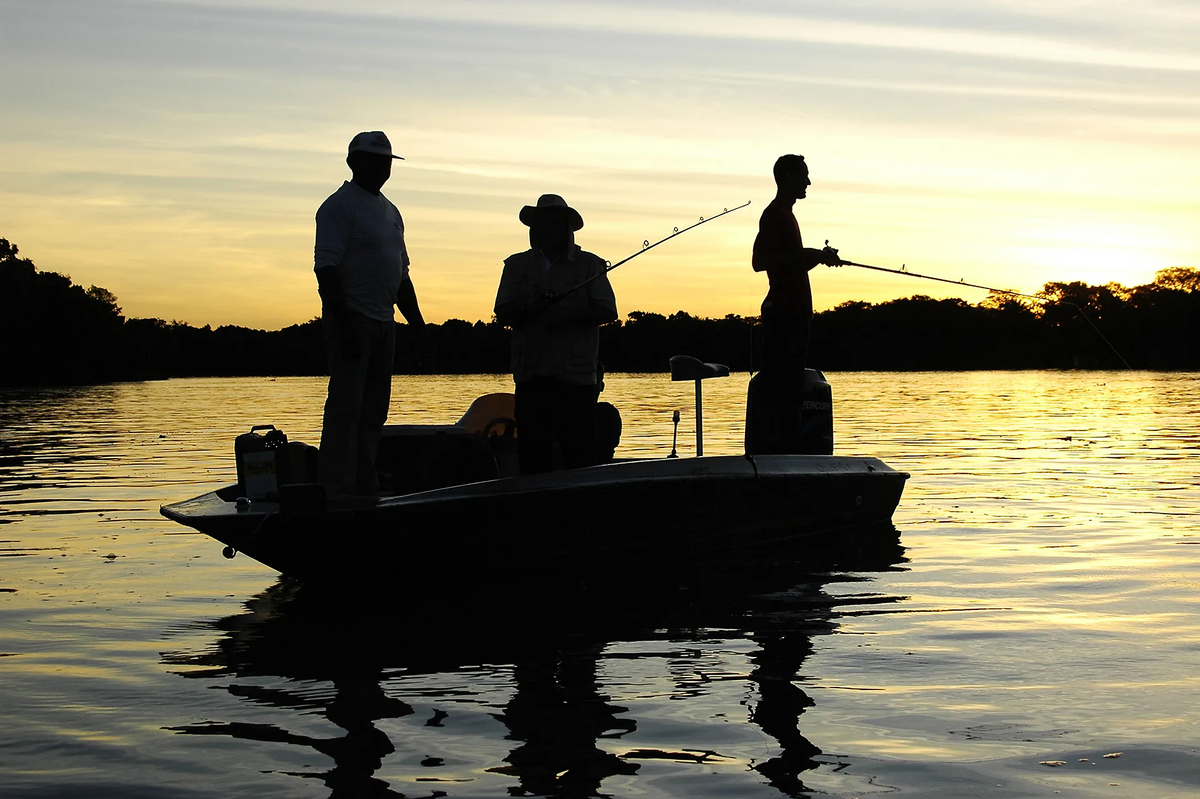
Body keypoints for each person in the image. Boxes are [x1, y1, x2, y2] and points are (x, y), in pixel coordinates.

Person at [313, 131, 431, 498]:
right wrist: (345, 324)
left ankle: (365, 483)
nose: (381, 167)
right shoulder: (338, 205)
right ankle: (336, 487)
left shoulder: (391, 212)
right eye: (373, 159)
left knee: (374, 410)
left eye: (386, 161)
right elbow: (326, 268)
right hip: (352, 319)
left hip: (384, 324)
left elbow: (401, 276)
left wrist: (419, 326)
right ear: (353, 162)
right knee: (346, 408)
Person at [494, 194, 618, 474]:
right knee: (532, 451)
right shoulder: (515, 265)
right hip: (531, 373)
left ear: (567, 228)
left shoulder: (590, 265)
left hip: (577, 376)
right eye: (543, 222)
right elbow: (503, 311)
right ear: (534, 228)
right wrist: (529, 309)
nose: (549, 228)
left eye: (556, 223)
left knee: (579, 451)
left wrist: (568, 316)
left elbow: (608, 311)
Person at [747, 154, 841, 454]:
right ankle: (781, 453)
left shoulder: (787, 215)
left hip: (796, 315)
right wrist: (807, 254)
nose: (809, 182)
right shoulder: (774, 214)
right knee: (783, 389)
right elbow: (759, 262)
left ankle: (790, 449)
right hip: (783, 316)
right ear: (788, 176)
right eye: (804, 175)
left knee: (793, 388)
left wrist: (817, 257)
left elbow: (790, 267)